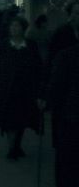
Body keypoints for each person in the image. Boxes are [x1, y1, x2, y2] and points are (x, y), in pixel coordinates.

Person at [0, 16, 43, 161]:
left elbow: (38, 67)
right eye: (12, 26)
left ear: (23, 28)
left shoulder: (30, 45)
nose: (14, 29)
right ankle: (11, 147)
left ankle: (17, 144)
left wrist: (39, 88)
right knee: (9, 119)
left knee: (22, 119)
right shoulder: (2, 46)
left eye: (17, 26)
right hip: (7, 89)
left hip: (25, 89)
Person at [46, 43, 79, 187]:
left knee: (67, 162)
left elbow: (56, 86)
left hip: (71, 116)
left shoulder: (67, 55)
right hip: (71, 114)